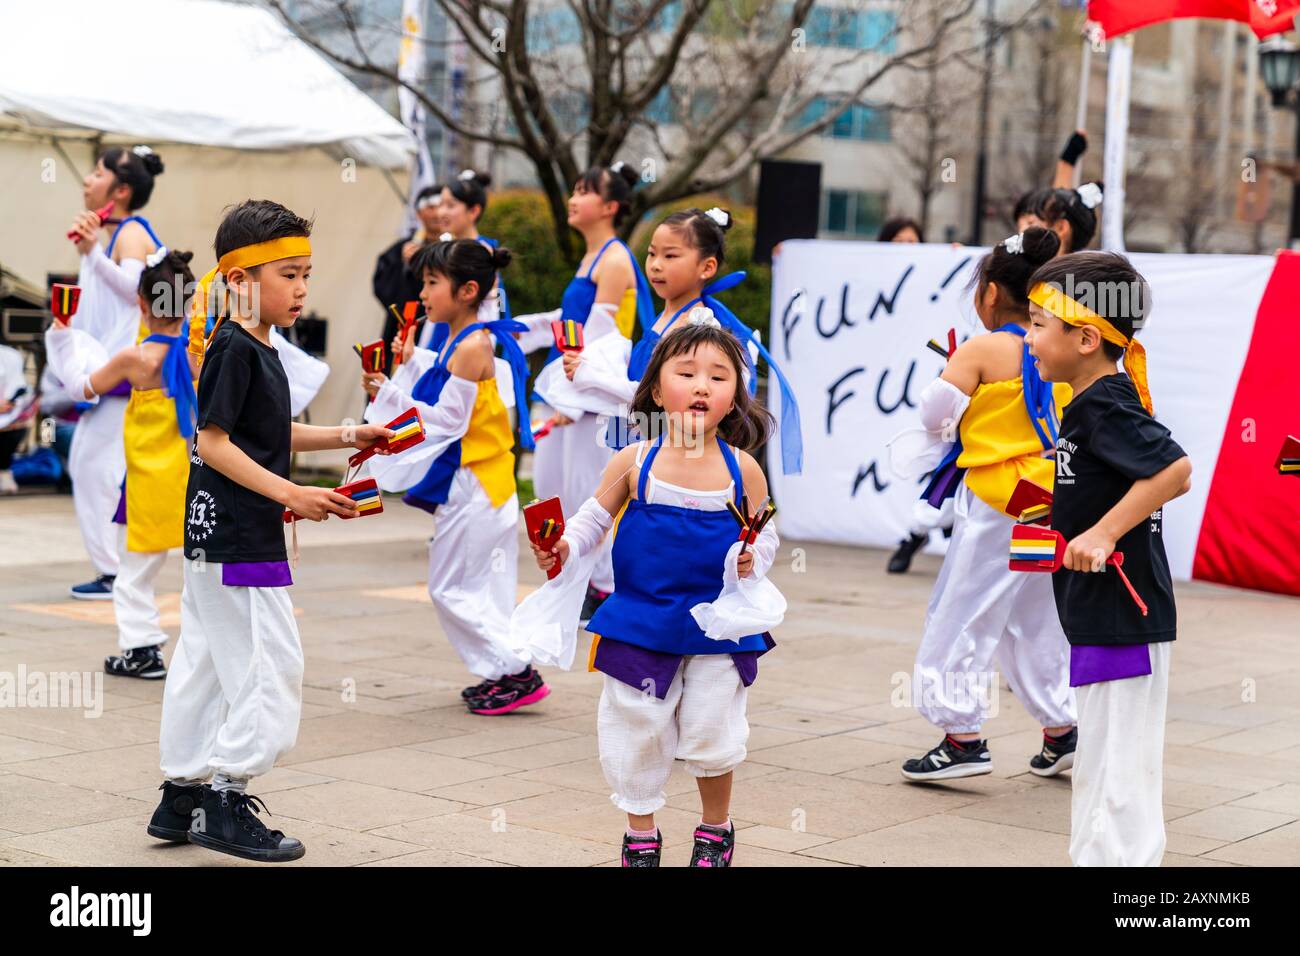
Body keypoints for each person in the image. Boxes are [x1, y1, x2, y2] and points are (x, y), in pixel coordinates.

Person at [152, 200, 393, 862]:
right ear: (239, 279)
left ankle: (182, 795)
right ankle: (226, 800)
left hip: (216, 536)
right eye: (288, 273)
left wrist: (350, 432)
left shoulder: (255, 345)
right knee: (269, 666)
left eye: (306, 274)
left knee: (203, 663)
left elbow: (265, 433)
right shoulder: (236, 345)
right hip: (239, 538)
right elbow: (215, 443)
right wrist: (293, 494)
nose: (302, 288)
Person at [514, 317, 785, 867]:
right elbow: (591, 521)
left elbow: (765, 531)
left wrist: (756, 557)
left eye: (719, 376)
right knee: (634, 726)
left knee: (714, 730)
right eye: (687, 372)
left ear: (736, 396)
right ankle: (641, 833)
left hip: (716, 624)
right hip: (640, 619)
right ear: (658, 389)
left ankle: (715, 830)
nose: (703, 385)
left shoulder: (744, 469)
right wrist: (562, 549)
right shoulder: (635, 462)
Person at [890, 227, 1077, 782]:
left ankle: (962, 736)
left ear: (990, 293)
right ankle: (1062, 728)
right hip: (1049, 496)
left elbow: (933, 415)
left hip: (997, 501)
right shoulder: (1060, 344)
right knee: (1036, 617)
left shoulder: (979, 348)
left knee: (962, 610)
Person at [1025, 251, 1191, 867]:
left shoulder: (1105, 403)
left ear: (1087, 337)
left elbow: (1174, 470)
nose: (1029, 336)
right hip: (1105, 610)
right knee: (1102, 763)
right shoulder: (1087, 401)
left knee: (1119, 772)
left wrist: (1100, 532)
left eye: (1041, 323)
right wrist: (1062, 512)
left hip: (1124, 613)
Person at [361, 239, 545, 715]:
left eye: (431, 283)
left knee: (450, 588)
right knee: (482, 587)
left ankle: (516, 671)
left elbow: (446, 421)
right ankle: (500, 674)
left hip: (475, 487)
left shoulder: (471, 344)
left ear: (465, 290)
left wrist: (388, 396)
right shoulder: (466, 340)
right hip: (487, 484)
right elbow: (446, 379)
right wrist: (409, 365)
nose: (422, 293)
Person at [45, 248, 199, 679]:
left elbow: (81, 388)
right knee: (199, 572)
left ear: (143, 304)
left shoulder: (137, 358)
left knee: (132, 575)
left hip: (147, 482)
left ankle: (142, 651)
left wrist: (62, 335)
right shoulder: (197, 354)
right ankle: (205, 654)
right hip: (191, 478)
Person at [513, 161, 654, 622]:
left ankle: (607, 590)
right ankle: (580, 581)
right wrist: (523, 332)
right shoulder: (593, 257)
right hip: (577, 394)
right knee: (560, 488)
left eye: (584, 192)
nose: (573, 199)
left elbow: (599, 335)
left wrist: (568, 399)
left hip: (596, 401)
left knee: (594, 495)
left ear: (610, 206)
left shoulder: (614, 259)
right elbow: (570, 323)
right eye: (573, 189)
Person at [65, 145, 165, 599]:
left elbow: (134, 291)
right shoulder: (118, 232)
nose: (87, 179)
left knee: (94, 467)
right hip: (116, 369)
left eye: (97, 172)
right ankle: (114, 568)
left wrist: (93, 251)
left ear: (121, 189)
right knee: (87, 465)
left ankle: (115, 572)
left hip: (129, 370)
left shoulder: (132, 232)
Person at [373, 183, 442, 372]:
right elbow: (382, 286)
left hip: (440, 324)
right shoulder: (404, 248)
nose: (437, 213)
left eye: (441, 206)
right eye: (431, 207)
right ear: (419, 214)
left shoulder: (454, 250)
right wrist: (403, 265)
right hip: (404, 323)